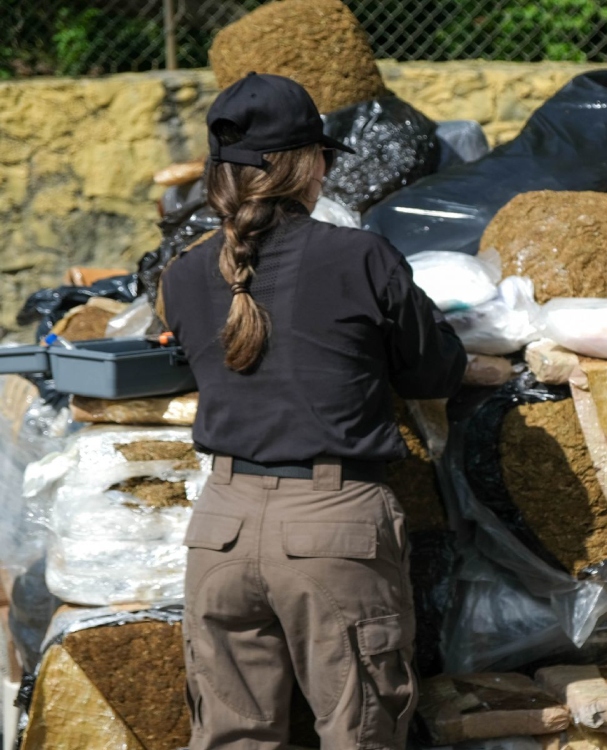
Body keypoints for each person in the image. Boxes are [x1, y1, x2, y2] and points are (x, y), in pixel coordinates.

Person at [159, 72, 466, 749]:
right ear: (308, 164)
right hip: (334, 531)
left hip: (221, 529)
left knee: (230, 738)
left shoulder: (182, 273)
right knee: (361, 731)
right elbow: (437, 370)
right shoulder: (359, 256)